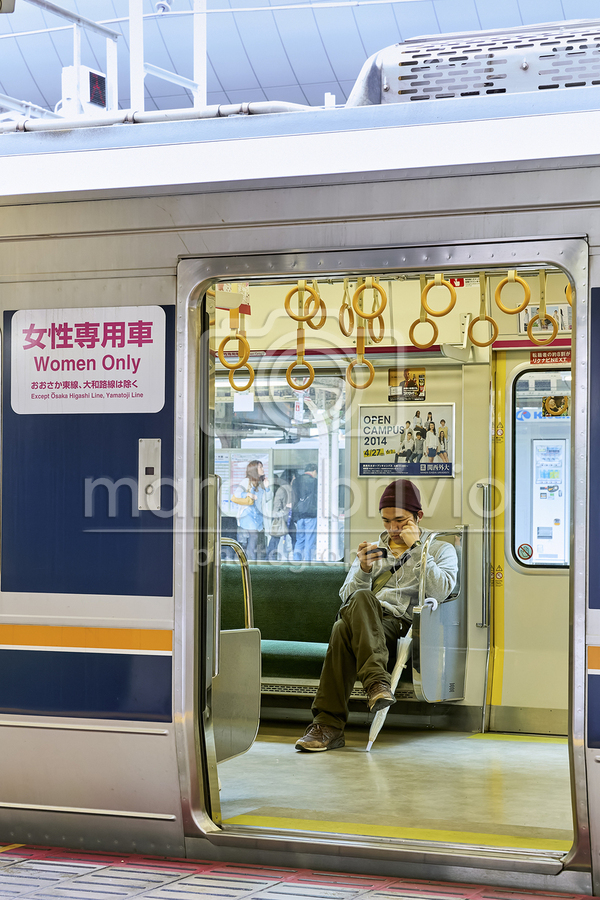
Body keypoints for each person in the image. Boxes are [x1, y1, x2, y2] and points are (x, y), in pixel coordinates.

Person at [295, 479, 458, 751]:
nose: (392, 529)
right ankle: (377, 684)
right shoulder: (374, 548)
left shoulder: (440, 548)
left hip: (400, 626)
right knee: (357, 602)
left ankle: (328, 726)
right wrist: (363, 569)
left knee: (340, 631)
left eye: (400, 521)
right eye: (386, 521)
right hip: (366, 622)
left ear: (418, 517)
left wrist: (419, 549)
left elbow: (440, 592)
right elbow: (346, 599)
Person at [231, 460, 271, 560]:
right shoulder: (246, 481)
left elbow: (268, 498)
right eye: (260, 467)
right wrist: (248, 494)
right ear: (254, 470)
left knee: (255, 540)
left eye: (262, 467)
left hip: (258, 516)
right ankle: (251, 563)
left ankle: (249, 561)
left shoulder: (261, 482)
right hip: (247, 515)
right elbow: (236, 494)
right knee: (253, 538)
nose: (262, 469)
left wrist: (267, 487)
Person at [266, 469, 296, 561]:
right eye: (294, 477)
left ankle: (270, 557)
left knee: (277, 539)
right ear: (290, 478)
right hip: (282, 519)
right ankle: (270, 558)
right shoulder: (284, 489)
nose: (295, 478)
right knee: (277, 538)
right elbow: (276, 507)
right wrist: (284, 510)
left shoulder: (285, 488)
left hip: (286, 518)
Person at [292, 463, 318, 562]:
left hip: (299, 515)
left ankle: (296, 561)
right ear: (314, 471)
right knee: (309, 541)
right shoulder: (315, 482)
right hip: (311, 515)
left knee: (300, 540)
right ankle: (308, 564)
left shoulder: (296, 481)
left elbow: (293, 498)